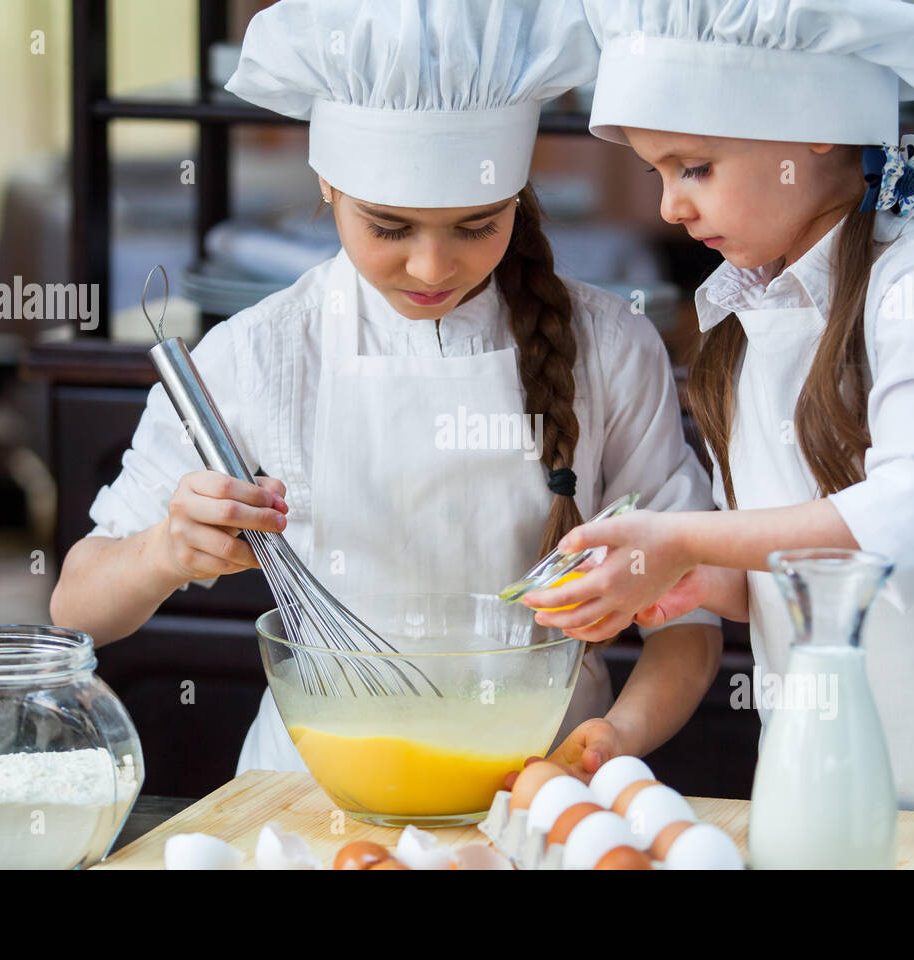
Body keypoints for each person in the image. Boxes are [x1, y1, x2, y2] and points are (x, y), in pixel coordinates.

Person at [49, 0, 722, 780]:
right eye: (390, 227)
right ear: (328, 184)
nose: (433, 269)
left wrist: (605, 744)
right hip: (305, 796)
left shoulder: (611, 347)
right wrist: (165, 551)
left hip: (538, 787)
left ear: (517, 195)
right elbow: (76, 606)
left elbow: (691, 618)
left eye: (476, 225)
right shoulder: (253, 355)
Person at [526, 0, 914, 823]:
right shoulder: (746, 314)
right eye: (657, 173)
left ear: (814, 127)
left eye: (694, 167)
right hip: (823, 789)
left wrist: (684, 538)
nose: (669, 206)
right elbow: (798, 565)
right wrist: (696, 579)